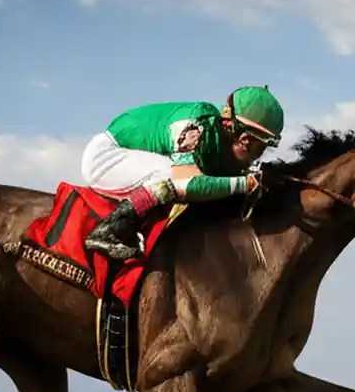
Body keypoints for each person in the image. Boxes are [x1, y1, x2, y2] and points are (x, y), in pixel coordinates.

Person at [80, 85, 285, 260]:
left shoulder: (218, 136)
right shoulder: (197, 129)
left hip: (130, 153)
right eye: (261, 148)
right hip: (106, 158)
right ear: (245, 139)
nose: (258, 157)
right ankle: (109, 229)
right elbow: (188, 185)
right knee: (170, 178)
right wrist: (246, 183)